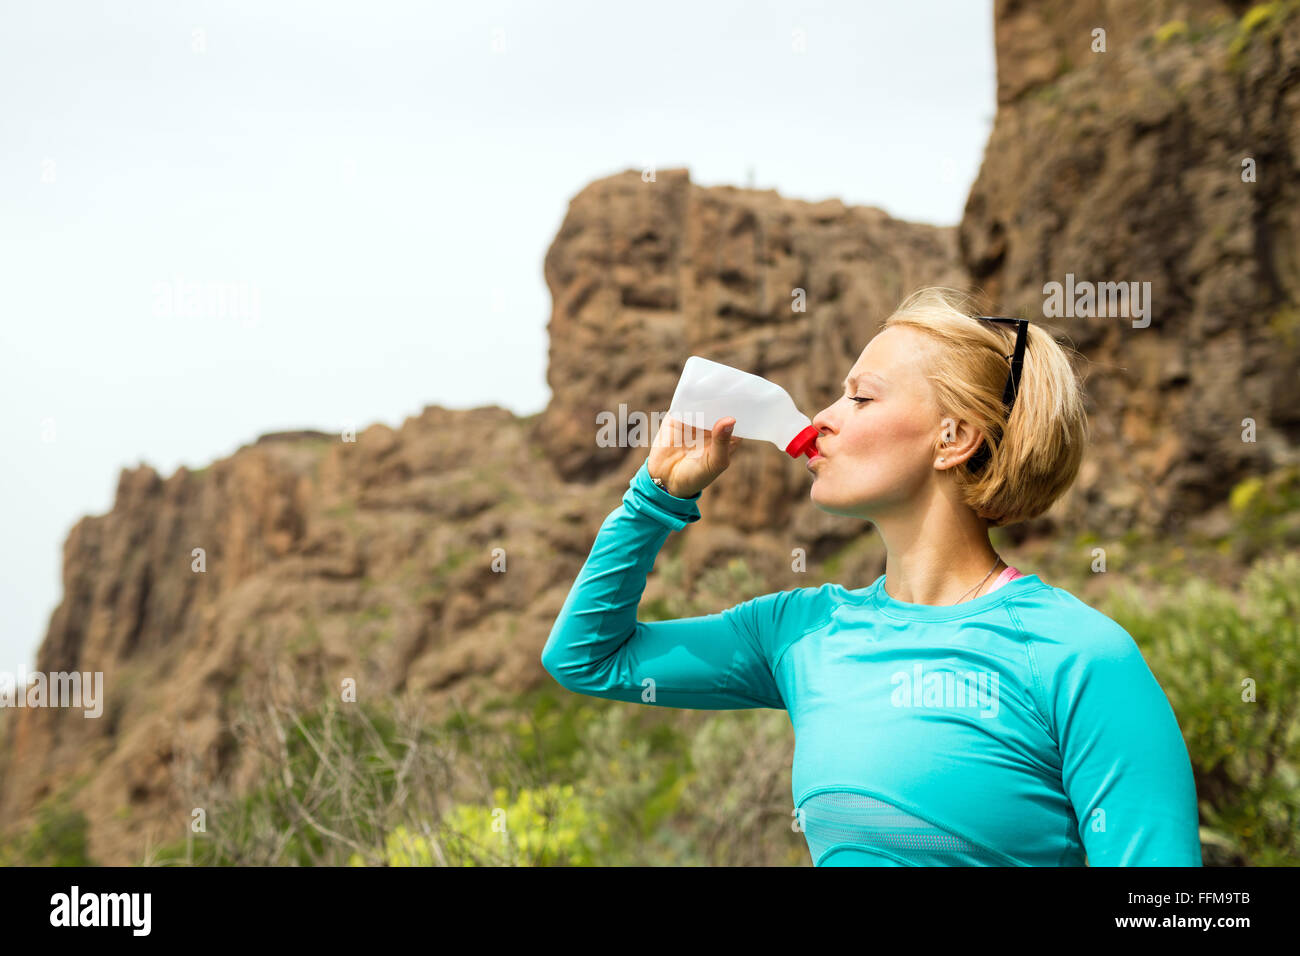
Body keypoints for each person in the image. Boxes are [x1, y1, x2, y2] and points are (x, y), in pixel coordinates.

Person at [541, 287, 1202, 867]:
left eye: (860, 396)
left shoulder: (1079, 656)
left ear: (955, 437)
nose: (824, 416)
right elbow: (587, 658)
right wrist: (654, 495)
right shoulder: (800, 631)